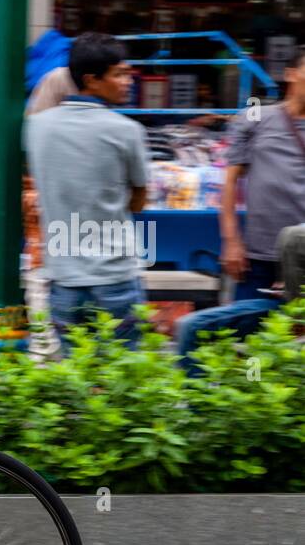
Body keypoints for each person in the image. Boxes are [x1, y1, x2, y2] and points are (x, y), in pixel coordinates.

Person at [174, 48, 305, 374]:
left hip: (304, 260)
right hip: (258, 256)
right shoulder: (256, 117)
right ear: (290, 74)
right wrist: (231, 241)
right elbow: (229, 183)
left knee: (293, 349)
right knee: (244, 342)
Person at [25, 32, 150, 346]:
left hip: (63, 276)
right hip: (115, 275)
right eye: (119, 74)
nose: (129, 82)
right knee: (123, 373)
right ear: (91, 80)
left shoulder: (37, 127)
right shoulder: (128, 131)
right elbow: (138, 203)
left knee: (74, 376)